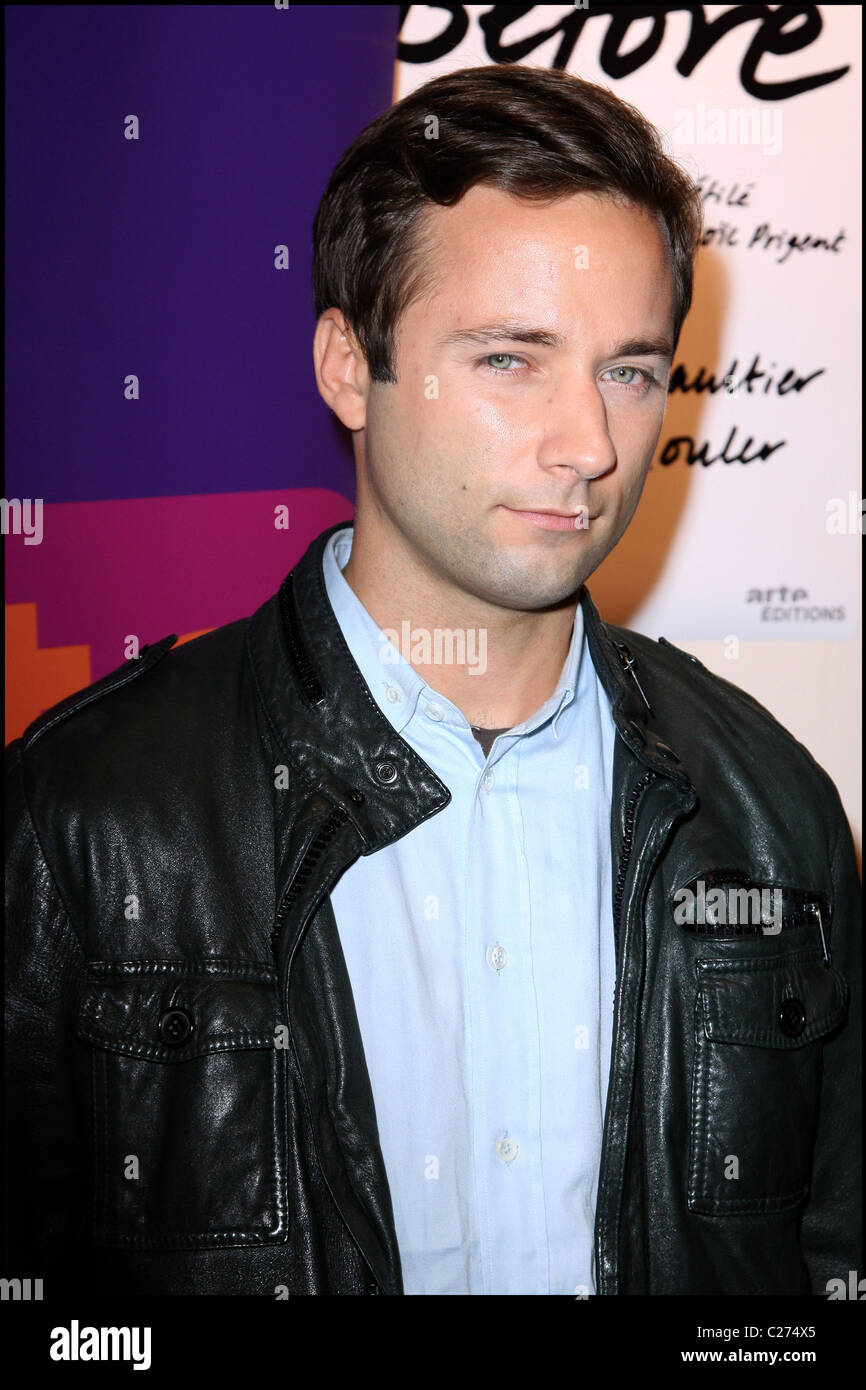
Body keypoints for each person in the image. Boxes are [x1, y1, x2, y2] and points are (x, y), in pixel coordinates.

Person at [5, 63, 860, 1297]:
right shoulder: (88, 814)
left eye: (628, 368)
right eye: (511, 359)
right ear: (348, 365)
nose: (592, 445)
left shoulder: (772, 810)